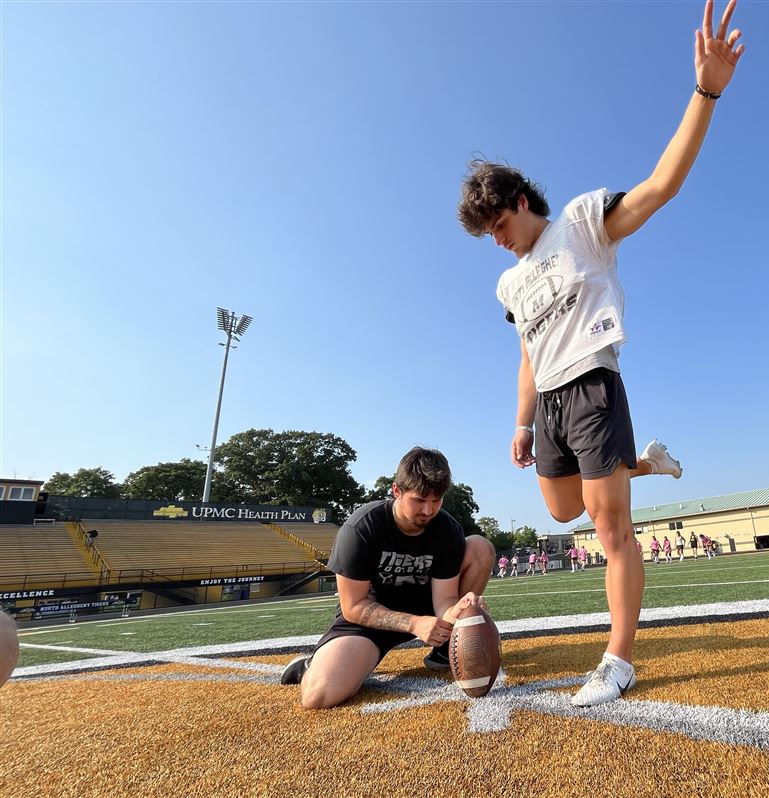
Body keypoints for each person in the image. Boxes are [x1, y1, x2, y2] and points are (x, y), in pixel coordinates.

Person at [459, 0, 744, 707]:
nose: (497, 239)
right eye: (487, 234)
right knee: (562, 511)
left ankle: (618, 660)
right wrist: (522, 423)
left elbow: (660, 187)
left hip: (592, 384)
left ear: (523, 201)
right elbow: (528, 350)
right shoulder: (508, 279)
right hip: (550, 402)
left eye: (499, 224)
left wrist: (705, 91)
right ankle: (642, 460)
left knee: (611, 528)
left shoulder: (583, 224)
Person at [280, 447, 495, 709]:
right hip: (372, 618)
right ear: (396, 491)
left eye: (436, 500)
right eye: (419, 500)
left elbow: (444, 599)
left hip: (426, 609)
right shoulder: (362, 527)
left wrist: (459, 611)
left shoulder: (447, 529)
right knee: (319, 695)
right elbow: (353, 607)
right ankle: (308, 666)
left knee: (480, 547)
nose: (428, 510)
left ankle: (445, 648)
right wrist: (413, 624)